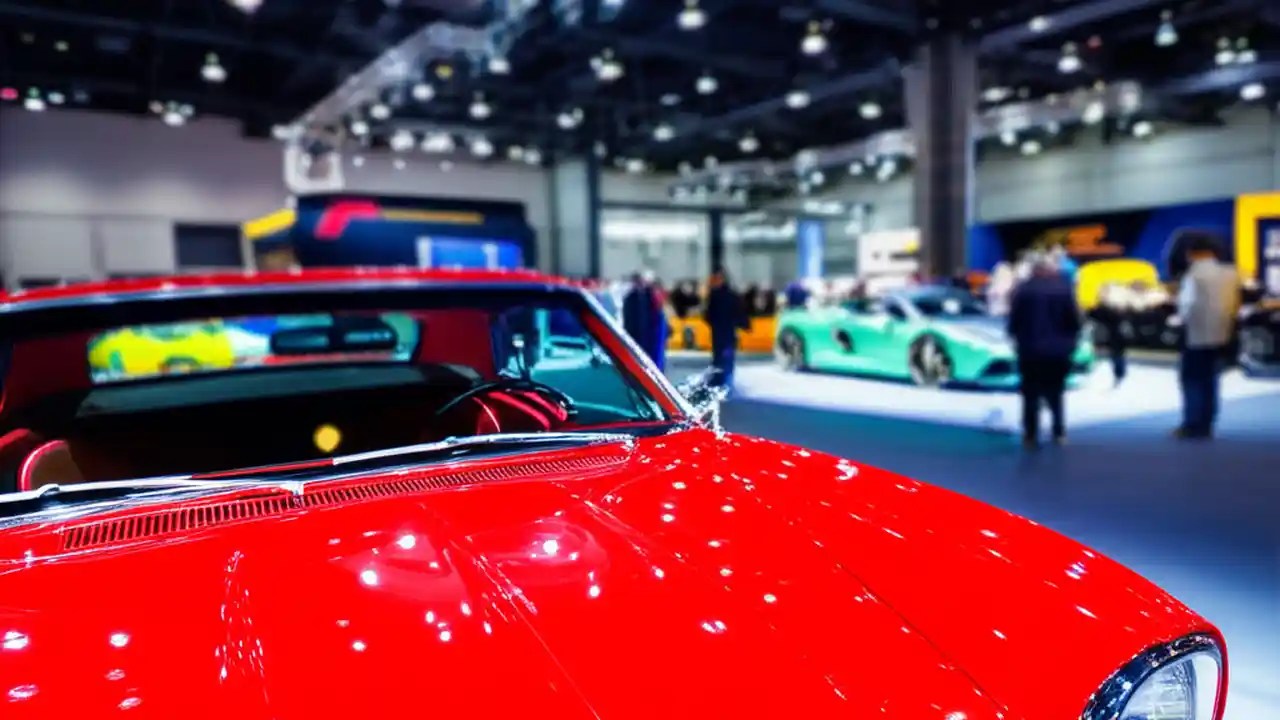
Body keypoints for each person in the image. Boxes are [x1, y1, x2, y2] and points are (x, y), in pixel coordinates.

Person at [1008, 253, 1083, 448]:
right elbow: (1074, 321)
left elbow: (1014, 321)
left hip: (1030, 350)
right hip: (1058, 351)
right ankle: (1058, 431)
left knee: (1030, 393)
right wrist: (1071, 344)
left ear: (1034, 270)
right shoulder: (1064, 288)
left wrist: (1016, 340)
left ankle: (1030, 435)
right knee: (1056, 392)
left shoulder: (1023, 289)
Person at [1174, 230, 1240, 440]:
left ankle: (1193, 424)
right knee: (1211, 379)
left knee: (1192, 379)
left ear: (1194, 253)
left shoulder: (1193, 275)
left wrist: (1177, 320)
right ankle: (1208, 422)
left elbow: (1186, 306)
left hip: (1195, 335)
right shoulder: (1231, 273)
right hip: (1221, 333)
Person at [704, 269, 749, 390]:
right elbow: (740, 314)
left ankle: (719, 383)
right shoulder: (732, 295)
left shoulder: (714, 296)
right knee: (726, 359)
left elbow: (707, 316)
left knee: (719, 359)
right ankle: (725, 384)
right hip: (728, 333)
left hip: (719, 334)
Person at [1093, 283, 1128, 387]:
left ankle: (1118, 375)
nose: (1102, 295)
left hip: (1114, 336)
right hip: (1103, 335)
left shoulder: (1117, 308)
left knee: (1117, 356)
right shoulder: (1099, 308)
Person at [622, 272, 661, 365]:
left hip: (645, 331)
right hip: (635, 331)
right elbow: (628, 317)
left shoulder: (646, 295)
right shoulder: (631, 297)